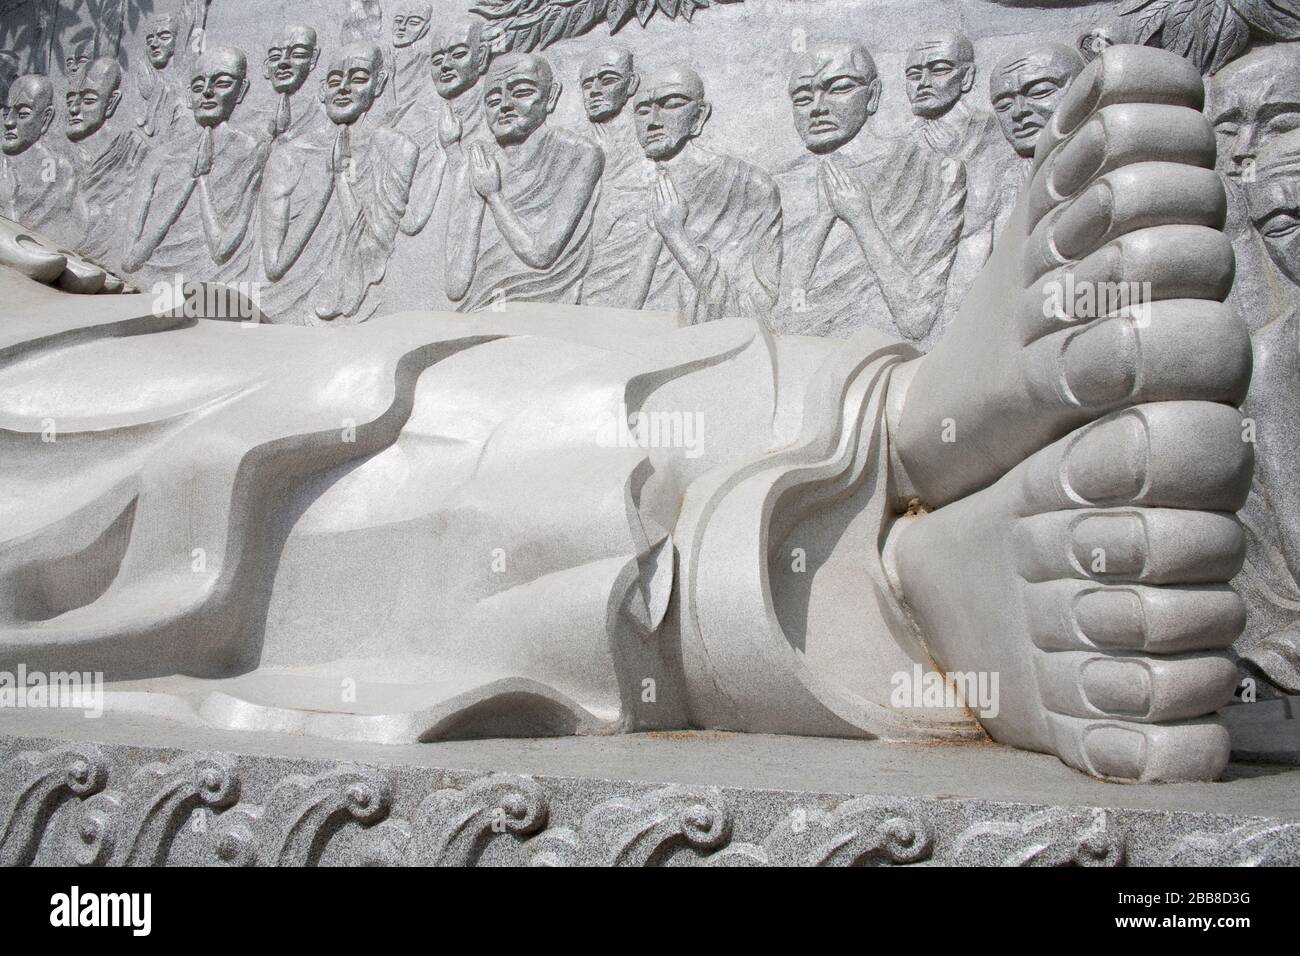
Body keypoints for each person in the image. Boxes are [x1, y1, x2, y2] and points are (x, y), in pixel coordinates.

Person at [444, 52, 603, 311]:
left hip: (546, 313)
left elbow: (540, 255)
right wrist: (476, 198)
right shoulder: (474, 164)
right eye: (493, 99)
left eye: (521, 92)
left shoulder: (579, 154)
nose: (505, 105)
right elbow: (455, 287)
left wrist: (493, 197)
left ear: (550, 97)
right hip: (479, 311)